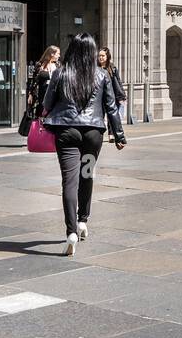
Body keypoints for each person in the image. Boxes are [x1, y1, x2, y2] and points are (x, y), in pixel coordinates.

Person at [41, 33, 126, 256]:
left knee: (69, 180)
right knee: (86, 174)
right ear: (91, 51)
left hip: (67, 133)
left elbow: (47, 103)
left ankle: (70, 232)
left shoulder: (60, 73)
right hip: (92, 134)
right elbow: (111, 107)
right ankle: (82, 221)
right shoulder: (101, 75)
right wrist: (119, 135)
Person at [20, 45, 59, 137]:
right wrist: (30, 94)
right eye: (58, 54)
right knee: (39, 114)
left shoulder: (58, 65)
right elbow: (33, 81)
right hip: (41, 94)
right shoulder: (39, 65)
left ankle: (51, 135)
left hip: (53, 94)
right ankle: (38, 135)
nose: (59, 56)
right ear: (51, 54)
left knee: (52, 114)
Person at [98, 46, 127, 122]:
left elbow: (118, 81)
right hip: (100, 95)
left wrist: (122, 95)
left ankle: (111, 133)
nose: (101, 57)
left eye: (103, 56)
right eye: (99, 56)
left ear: (107, 56)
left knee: (112, 115)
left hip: (111, 94)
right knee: (100, 115)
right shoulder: (96, 68)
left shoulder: (112, 67)